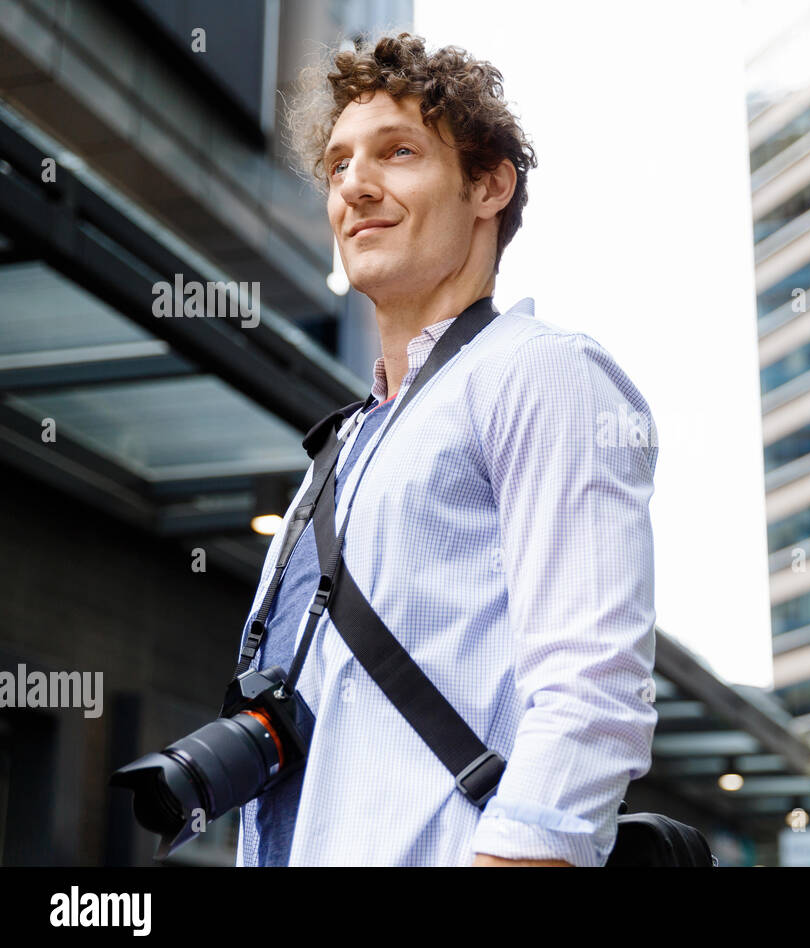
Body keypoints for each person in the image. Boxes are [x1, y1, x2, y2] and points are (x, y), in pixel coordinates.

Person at [234, 33, 659, 867]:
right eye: (337, 165)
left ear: (488, 184)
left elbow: (592, 690)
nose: (356, 185)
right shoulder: (346, 442)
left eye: (397, 153)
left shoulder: (539, 372)